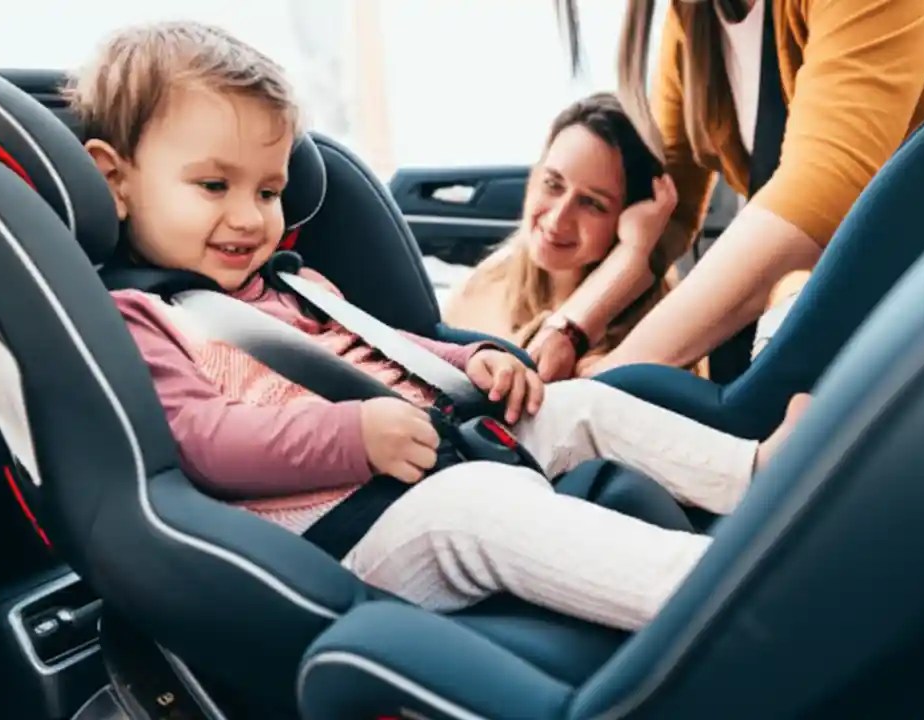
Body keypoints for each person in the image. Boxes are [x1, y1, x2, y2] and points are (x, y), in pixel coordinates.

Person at [69, 21, 811, 632]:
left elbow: (394, 345)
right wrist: (354, 436)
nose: (248, 216)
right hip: (347, 535)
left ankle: (753, 476)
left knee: (574, 403)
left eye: (268, 191)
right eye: (212, 185)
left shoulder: (292, 284)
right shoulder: (138, 318)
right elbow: (207, 443)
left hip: (429, 456)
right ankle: (727, 593)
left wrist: (482, 359)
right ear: (114, 181)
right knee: (482, 508)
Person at [543, 0, 924, 381]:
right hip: (899, 281)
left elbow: (825, 186)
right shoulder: (695, 18)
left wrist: (615, 376)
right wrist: (569, 332)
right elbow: (666, 205)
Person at [442, 93, 686, 379]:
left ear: (631, 218)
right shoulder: (487, 284)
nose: (558, 218)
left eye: (592, 203)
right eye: (553, 184)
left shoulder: (654, 337)